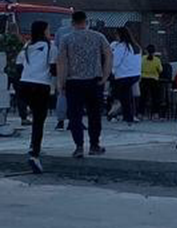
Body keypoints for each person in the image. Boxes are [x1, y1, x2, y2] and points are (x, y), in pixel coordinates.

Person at [55, 11, 112, 158]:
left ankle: (79, 146)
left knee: (75, 115)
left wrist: (61, 82)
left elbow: (61, 62)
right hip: (94, 81)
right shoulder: (98, 37)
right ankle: (94, 145)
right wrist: (105, 75)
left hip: (73, 82)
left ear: (72, 22)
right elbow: (108, 54)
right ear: (86, 21)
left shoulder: (66, 39)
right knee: (94, 115)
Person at [17, 20, 56, 173]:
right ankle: (34, 152)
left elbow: (19, 65)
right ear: (44, 31)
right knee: (39, 121)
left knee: (33, 115)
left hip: (25, 83)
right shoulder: (50, 46)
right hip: (41, 85)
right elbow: (53, 68)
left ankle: (34, 146)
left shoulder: (27, 46)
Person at [106, 27, 142, 124]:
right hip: (135, 75)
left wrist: (110, 69)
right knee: (128, 96)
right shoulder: (136, 46)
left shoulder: (121, 47)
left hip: (123, 75)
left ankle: (119, 114)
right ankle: (129, 115)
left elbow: (115, 62)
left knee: (121, 96)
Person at [140, 45, 165, 119]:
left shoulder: (142, 59)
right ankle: (155, 113)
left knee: (143, 98)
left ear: (146, 51)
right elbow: (160, 70)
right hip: (154, 80)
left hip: (144, 79)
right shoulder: (157, 60)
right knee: (155, 97)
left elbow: (139, 68)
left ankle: (140, 113)